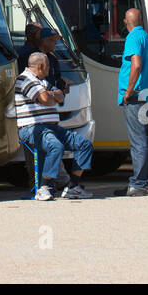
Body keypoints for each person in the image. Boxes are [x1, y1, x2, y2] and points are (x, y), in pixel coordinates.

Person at [15, 52, 94, 200]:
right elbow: (46, 99)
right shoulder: (25, 79)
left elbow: (60, 96)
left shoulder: (42, 82)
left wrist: (52, 95)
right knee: (55, 146)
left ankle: (73, 186)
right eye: (48, 66)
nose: (49, 69)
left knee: (84, 144)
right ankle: (44, 187)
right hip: (33, 127)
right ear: (41, 66)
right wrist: (52, 95)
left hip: (51, 127)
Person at [118, 7, 148, 197]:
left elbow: (136, 64)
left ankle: (138, 184)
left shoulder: (133, 38)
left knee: (139, 141)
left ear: (125, 22)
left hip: (136, 97)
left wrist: (128, 91)